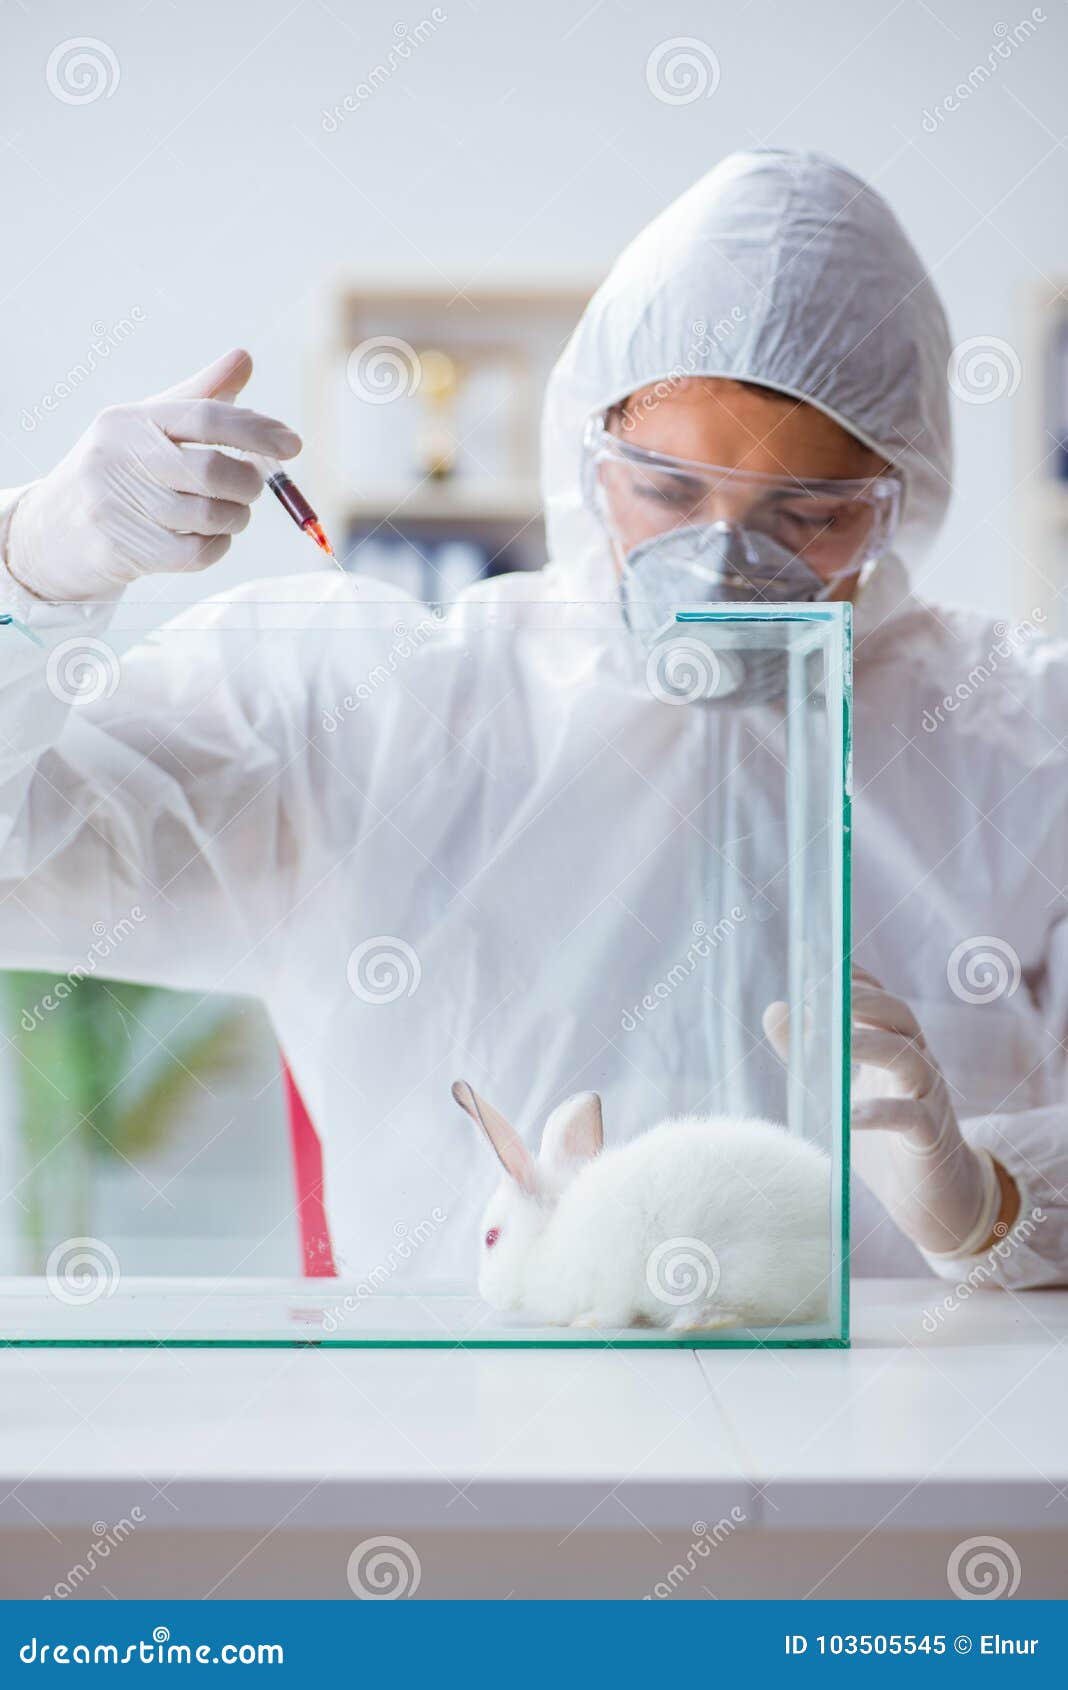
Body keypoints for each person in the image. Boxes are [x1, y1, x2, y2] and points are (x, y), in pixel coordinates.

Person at [1, 149, 1064, 1297]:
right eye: (663, 490)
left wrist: (992, 1203)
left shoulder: (1022, 737)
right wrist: (33, 572)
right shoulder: (371, 714)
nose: (718, 557)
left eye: (805, 515)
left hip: (902, 1448)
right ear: (586, 448)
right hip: (477, 1444)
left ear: (900, 502)